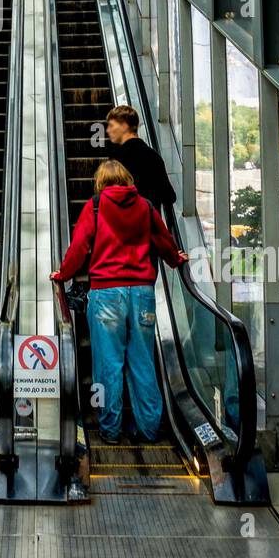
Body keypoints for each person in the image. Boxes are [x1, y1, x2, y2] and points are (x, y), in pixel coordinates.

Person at [51, 159, 186, 443]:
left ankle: (111, 429)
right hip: (142, 293)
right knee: (142, 362)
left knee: (108, 365)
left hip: (106, 293)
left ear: (101, 182)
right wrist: (175, 259)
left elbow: (80, 246)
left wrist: (64, 274)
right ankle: (150, 428)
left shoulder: (96, 206)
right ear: (127, 179)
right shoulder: (146, 206)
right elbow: (163, 240)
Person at [104, 104, 176, 213]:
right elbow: (169, 196)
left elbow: (108, 197)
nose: (108, 130)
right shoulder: (153, 156)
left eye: (111, 126)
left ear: (124, 126)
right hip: (148, 225)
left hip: (123, 226)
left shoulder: (116, 160)